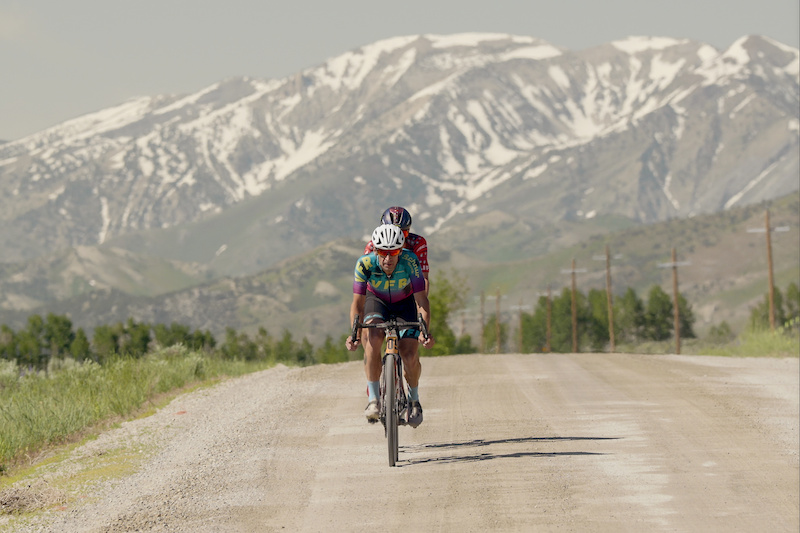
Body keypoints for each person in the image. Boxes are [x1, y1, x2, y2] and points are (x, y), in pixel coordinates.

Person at [346, 223, 435, 428]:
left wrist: (425, 331)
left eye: (394, 252)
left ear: (401, 249)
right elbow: (357, 304)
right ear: (375, 249)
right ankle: (373, 400)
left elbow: (422, 300)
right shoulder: (364, 264)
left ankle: (414, 400)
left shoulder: (410, 261)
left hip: (404, 304)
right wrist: (355, 334)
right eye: (383, 252)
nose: (388, 258)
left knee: (410, 355)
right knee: (374, 340)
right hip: (376, 302)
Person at [364, 207, 430, 296]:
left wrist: (421, 305)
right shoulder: (373, 246)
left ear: (409, 231)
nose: (397, 237)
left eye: (403, 233)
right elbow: (365, 281)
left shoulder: (417, 243)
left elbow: (423, 279)